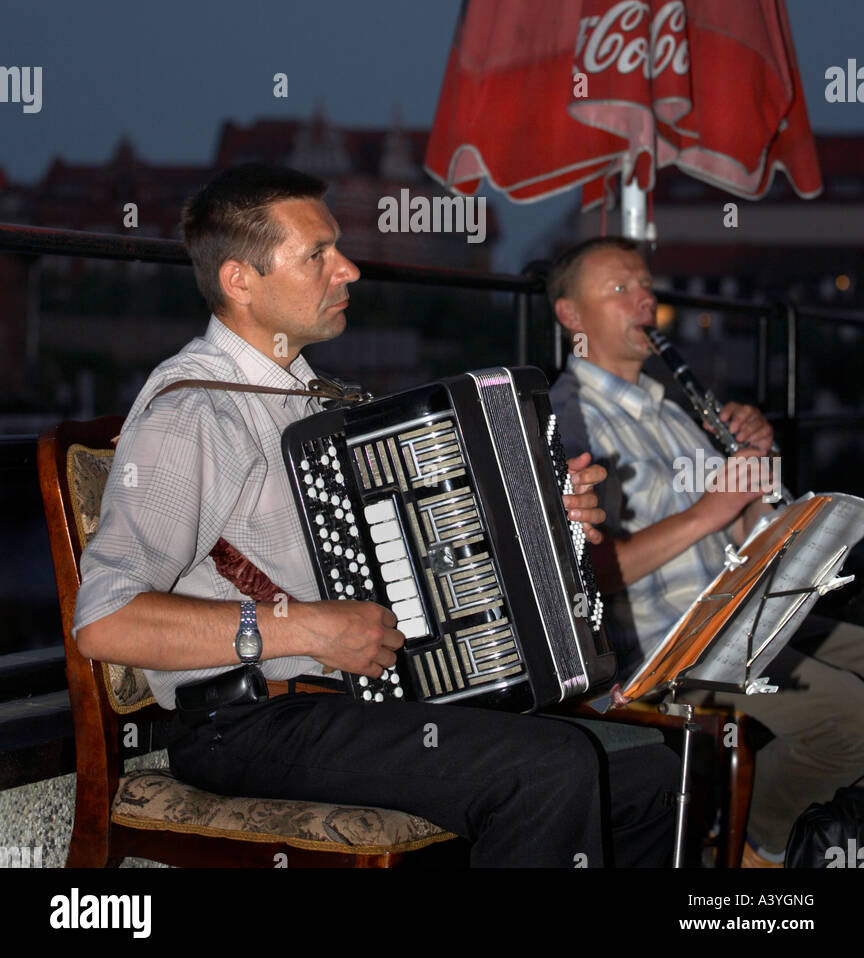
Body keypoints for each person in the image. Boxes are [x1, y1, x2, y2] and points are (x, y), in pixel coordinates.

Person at [73, 166, 677, 869]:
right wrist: (298, 628)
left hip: (363, 697)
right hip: (249, 720)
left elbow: (425, 545)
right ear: (240, 281)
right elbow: (105, 620)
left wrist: (547, 514)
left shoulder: (315, 398)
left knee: (650, 778)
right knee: (549, 769)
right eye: (318, 255)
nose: (349, 269)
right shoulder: (193, 412)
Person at [548, 235, 864, 867]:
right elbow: (588, 575)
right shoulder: (569, 420)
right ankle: (751, 846)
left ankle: (812, 827)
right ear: (571, 317)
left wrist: (753, 476)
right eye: (619, 289)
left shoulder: (675, 410)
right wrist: (706, 510)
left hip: (737, 611)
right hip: (668, 653)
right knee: (852, 720)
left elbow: (746, 527)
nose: (644, 300)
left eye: (645, 285)